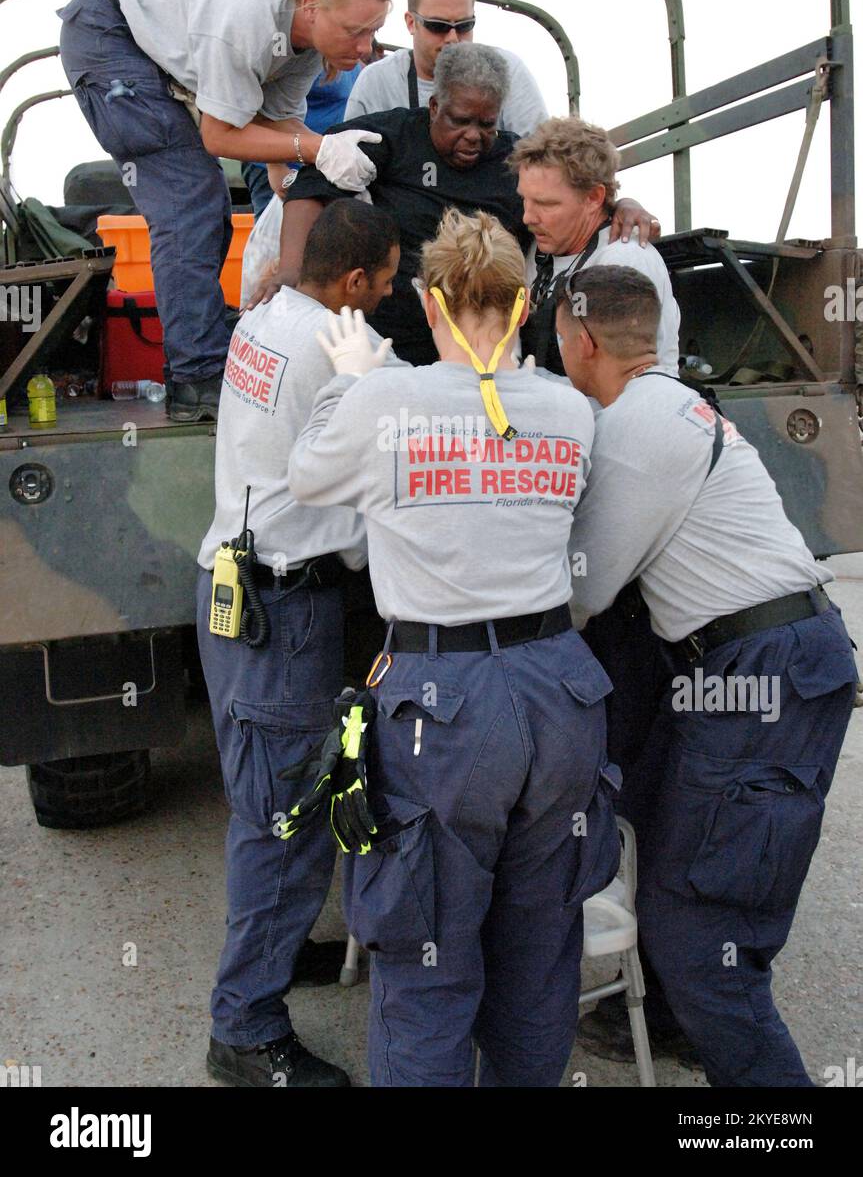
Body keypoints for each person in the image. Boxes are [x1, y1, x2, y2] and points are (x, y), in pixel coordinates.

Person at [287, 208, 621, 1088]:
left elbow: (307, 474)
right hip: (559, 690)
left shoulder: (382, 400)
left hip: (443, 702)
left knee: (427, 959)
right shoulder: (570, 411)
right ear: (521, 305)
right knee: (539, 952)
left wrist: (351, 380)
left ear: (432, 306)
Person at [558, 264, 857, 1087]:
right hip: (759, 663)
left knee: (704, 941)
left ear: (580, 343)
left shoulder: (637, 427)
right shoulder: (674, 401)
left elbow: (586, 588)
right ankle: (690, 1022)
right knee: (658, 816)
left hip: (763, 670)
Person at [196, 200, 405, 1088]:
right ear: (354, 283)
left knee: (269, 806)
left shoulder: (268, 314)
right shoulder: (340, 352)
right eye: (389, 281)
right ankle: (243, 1029)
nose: (394, 295)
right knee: (283, 827)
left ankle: (273, 963)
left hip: (234, 587)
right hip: (286, 608)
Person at [58, 0, 393, 421]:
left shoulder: (305, 46)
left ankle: (204, 355)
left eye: (373, 32)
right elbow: (219, 135)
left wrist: (294, 182)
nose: (365, 51)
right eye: (354, 32)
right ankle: (197, 379)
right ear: (313, 7)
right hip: (111, 35)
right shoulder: (247, 23)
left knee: (204, 200)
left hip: (152, 40)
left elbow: (271, 123)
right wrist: (316, 147)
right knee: (190, 195)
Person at [249, 44, 658, 364]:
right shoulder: (390, 138)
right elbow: (310, 184)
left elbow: (576, 196)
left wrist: (624, 205)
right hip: (385, 343)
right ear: (434, 107)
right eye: (459, 121)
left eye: (486, 125)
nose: (473, 136)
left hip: (480, 352)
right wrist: (290, 272)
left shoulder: (513, 161)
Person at [509, 117, 679, 376]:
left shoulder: (625, 260)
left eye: (546, 204)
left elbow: (620, 382)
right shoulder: (537, 247)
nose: (528, 217)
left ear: (593, 197)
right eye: (525, 199)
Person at [242, 0, 368, 218]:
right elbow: (259, 100)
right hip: (283, 163)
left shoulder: (346, 36)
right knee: (282, 250)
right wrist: (276, 166)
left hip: (328, 164)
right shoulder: (284, 35)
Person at [345, 0, 548, 135]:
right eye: (438, 26)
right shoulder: (376, 82)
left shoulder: (508, 72)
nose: (452, 38)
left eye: (464, 26)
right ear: (410, 23)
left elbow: (541, 161)